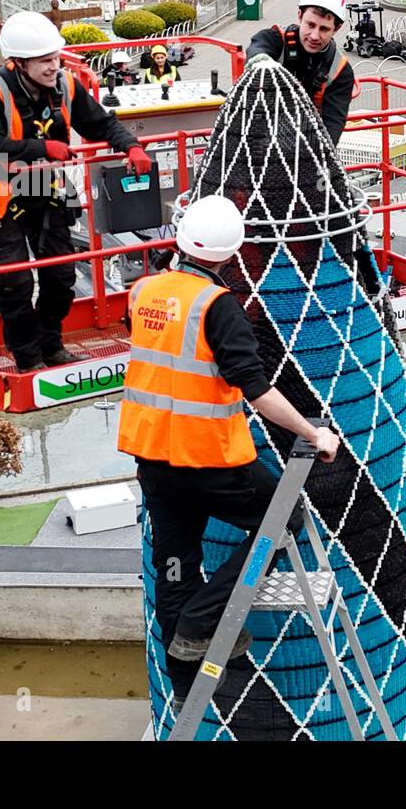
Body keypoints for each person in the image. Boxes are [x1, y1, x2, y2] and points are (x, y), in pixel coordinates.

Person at [117, 194, 341, 712]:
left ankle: (180, 688)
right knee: (281, 519)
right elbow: (257, 391)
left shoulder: (143, 292)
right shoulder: (219, 308)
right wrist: (313, 434)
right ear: (231, 252)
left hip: (154, 461)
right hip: (211, 461)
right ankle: (206, 619)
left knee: (175, 565)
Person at [0, 11, 153, 372]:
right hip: (5, 191)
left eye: (55, 58)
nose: (54, 66)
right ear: (20, 62)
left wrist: (130, 146)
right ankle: (27, 356)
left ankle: (51, 346)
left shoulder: (66, 85)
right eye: (44, 61)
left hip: (49, 187)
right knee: (14, 280)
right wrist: (42, 149)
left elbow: (100, 122)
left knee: (62, 275)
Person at [245, 0, 355, 144]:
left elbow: (332, 126)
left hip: (305, 146)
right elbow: (258, 46)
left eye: (324, 29)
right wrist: (261, 62)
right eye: (310, 25)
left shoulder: (339, 70)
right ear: (299, 16)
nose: (314, 36)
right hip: (259, 138)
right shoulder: (275, 40)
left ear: (337, 28)